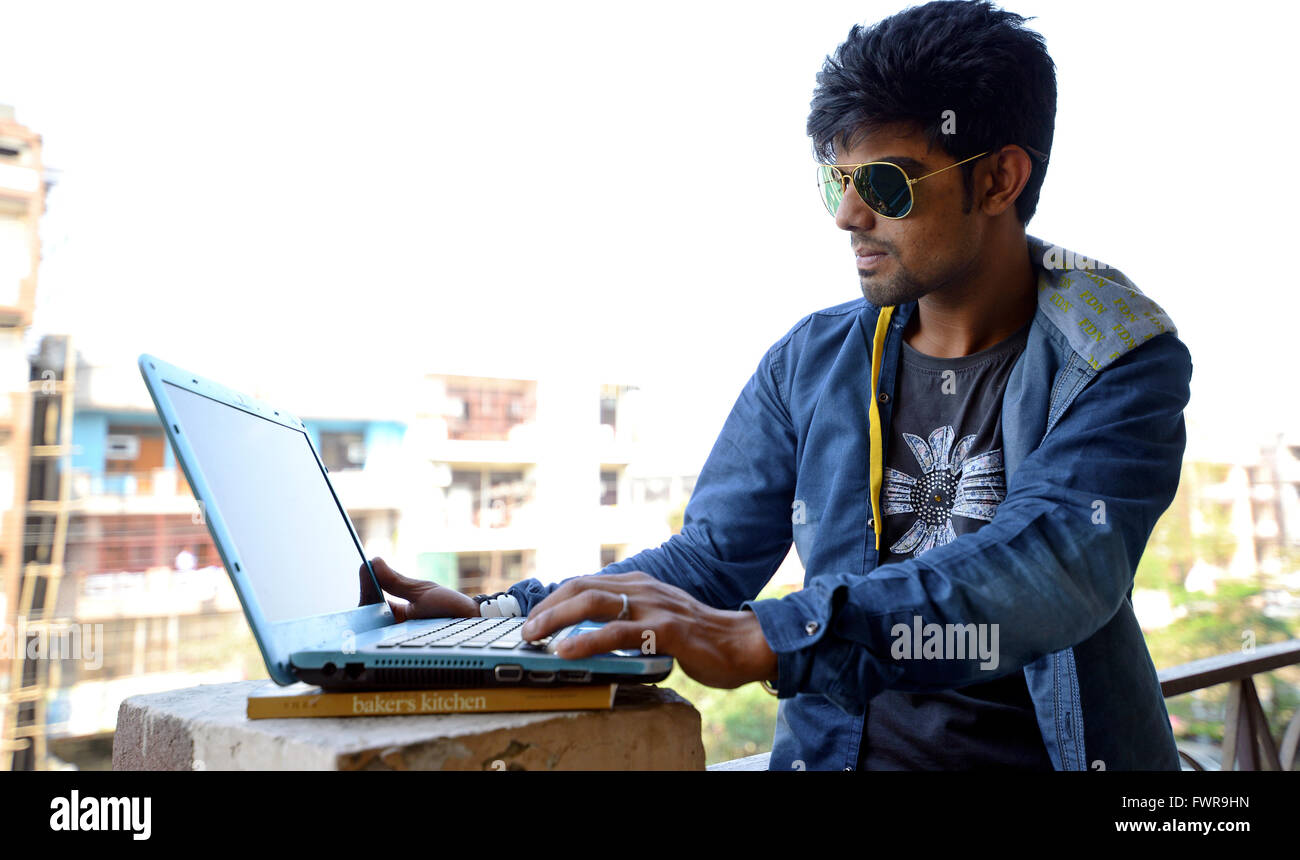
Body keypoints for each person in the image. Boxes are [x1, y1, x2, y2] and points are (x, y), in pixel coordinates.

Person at [370, 0, 1191, 771]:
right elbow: (710, 559)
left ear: (999, 180)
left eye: (886, 185)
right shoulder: (811, 359)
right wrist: (506, 618)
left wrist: (771, 636)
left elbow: (1053, 563)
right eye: (838, 183)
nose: (847, 217)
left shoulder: (1116, 358)